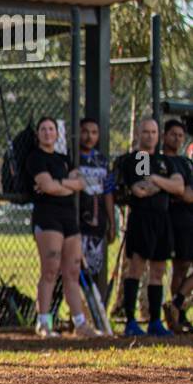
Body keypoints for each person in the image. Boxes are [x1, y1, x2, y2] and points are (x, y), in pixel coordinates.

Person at [112, 117, 183, 338]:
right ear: (139, 134)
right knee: (137, 267)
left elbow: (178, 186)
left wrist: (157, 181)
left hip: (162, 219)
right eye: (146, 132)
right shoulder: (140, 158)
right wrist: (163, 184)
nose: (150, 136)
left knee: (158, 271)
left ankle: (154, 321)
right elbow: (141, 189)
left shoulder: (164, 160)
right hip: (142, 218)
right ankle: (131, 321)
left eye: (153, 132)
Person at [25, 117, 96, 338]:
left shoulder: (64, 159)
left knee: (72, 271)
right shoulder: (35, 158)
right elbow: (47, 187)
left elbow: (80, 183)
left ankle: (80, 323)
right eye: (43, 129)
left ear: (57, 134)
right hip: (48, 218)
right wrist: (64, 185)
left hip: (69, 217)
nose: (48, 133)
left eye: (51, 129)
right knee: (50, 269)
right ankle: (44, 322)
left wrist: (60, 184)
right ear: (38, 134)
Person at [161, 119, 193, 333]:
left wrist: (171, 188)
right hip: (161, 218)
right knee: (170, 267)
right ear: (163, 136)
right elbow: (142, 185)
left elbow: (189, 194)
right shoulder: (147, 157)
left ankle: (177, 306)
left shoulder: (186, 162)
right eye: (173, 134)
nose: (177, 139)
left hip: (187, 219)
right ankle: (156, 317)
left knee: (182, 267)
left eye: (181, 135)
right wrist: (175, 188)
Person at [77, 117, 116, 285]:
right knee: (71, 269)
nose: (89, 137)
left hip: (97, 225)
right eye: (85, 132)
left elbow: (108, 192)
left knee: (92, 271)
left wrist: (112, 222)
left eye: (94, 133)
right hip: (75, 223)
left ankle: (89, 309)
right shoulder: (72, 158)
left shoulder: (102, 161)